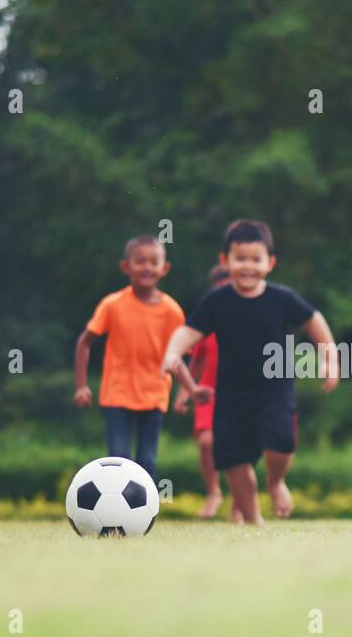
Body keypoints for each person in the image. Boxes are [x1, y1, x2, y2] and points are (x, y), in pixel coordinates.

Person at [162, 219, 337, 524]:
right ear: (225, 260)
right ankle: (254, 522)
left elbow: (314, 321)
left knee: (281, 440)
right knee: (233, 457)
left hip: (275, 386)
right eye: (239, 258)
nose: (247, 266)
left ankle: (275, 481)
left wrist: (329, 359)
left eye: (255, 259)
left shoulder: (281, 298)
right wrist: (172, 353)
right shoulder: (217, 301)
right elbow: (188, 332)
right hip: (230, 392)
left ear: (269, 263)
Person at [73, 235, 186, 483]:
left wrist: (186, 391)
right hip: (118, 393)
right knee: (118, 460)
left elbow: (176, 356)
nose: (147, 267)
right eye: (140, 261)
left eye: (153, 262)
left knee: (147, 461)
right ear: (126, 267)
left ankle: (145, 516)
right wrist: (81, 385)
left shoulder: (171, 311)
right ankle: (115, 517)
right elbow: (85, 341)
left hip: (154, 393)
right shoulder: (112, 305)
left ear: (164, 268)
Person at [172, 264, 243, 520]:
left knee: (239, 450)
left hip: (241, 395)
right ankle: (214, 492)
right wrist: (184, 392)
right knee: (207, 442)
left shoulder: (251, 320)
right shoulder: (207, 323)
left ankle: (239, 503)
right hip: (208, 393)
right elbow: (197, 361)